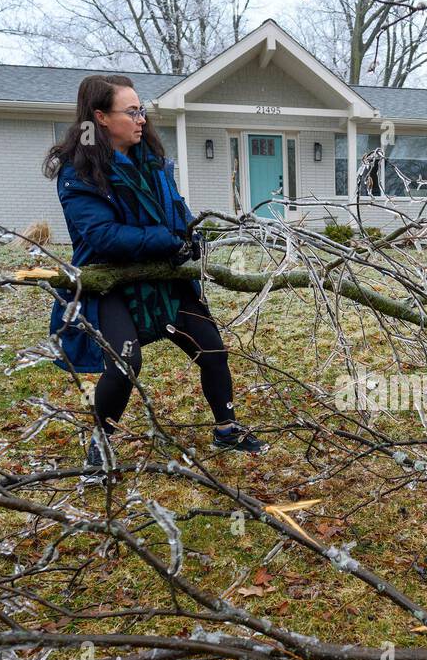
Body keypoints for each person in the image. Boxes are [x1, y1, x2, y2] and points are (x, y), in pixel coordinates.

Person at [43, 74, 268, 469]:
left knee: (212, 349)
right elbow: (104, 235)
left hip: (163, 276)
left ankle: (226, 429)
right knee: (124, 361)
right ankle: (100, 445)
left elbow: (176, 208)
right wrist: (166, 239)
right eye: (131, 111)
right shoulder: (78, 174)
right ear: (101, 118)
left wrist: (187, 235)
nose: (141, 118)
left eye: (141, 109)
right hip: (108, 281)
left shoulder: (152, 162)